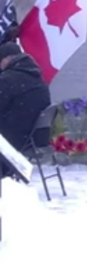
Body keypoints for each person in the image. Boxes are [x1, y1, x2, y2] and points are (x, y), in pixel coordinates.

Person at [0, 42, 51, 178]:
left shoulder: (9, 79)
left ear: (7, 59)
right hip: (31, 136)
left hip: (13, 138)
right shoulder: (36, 76)